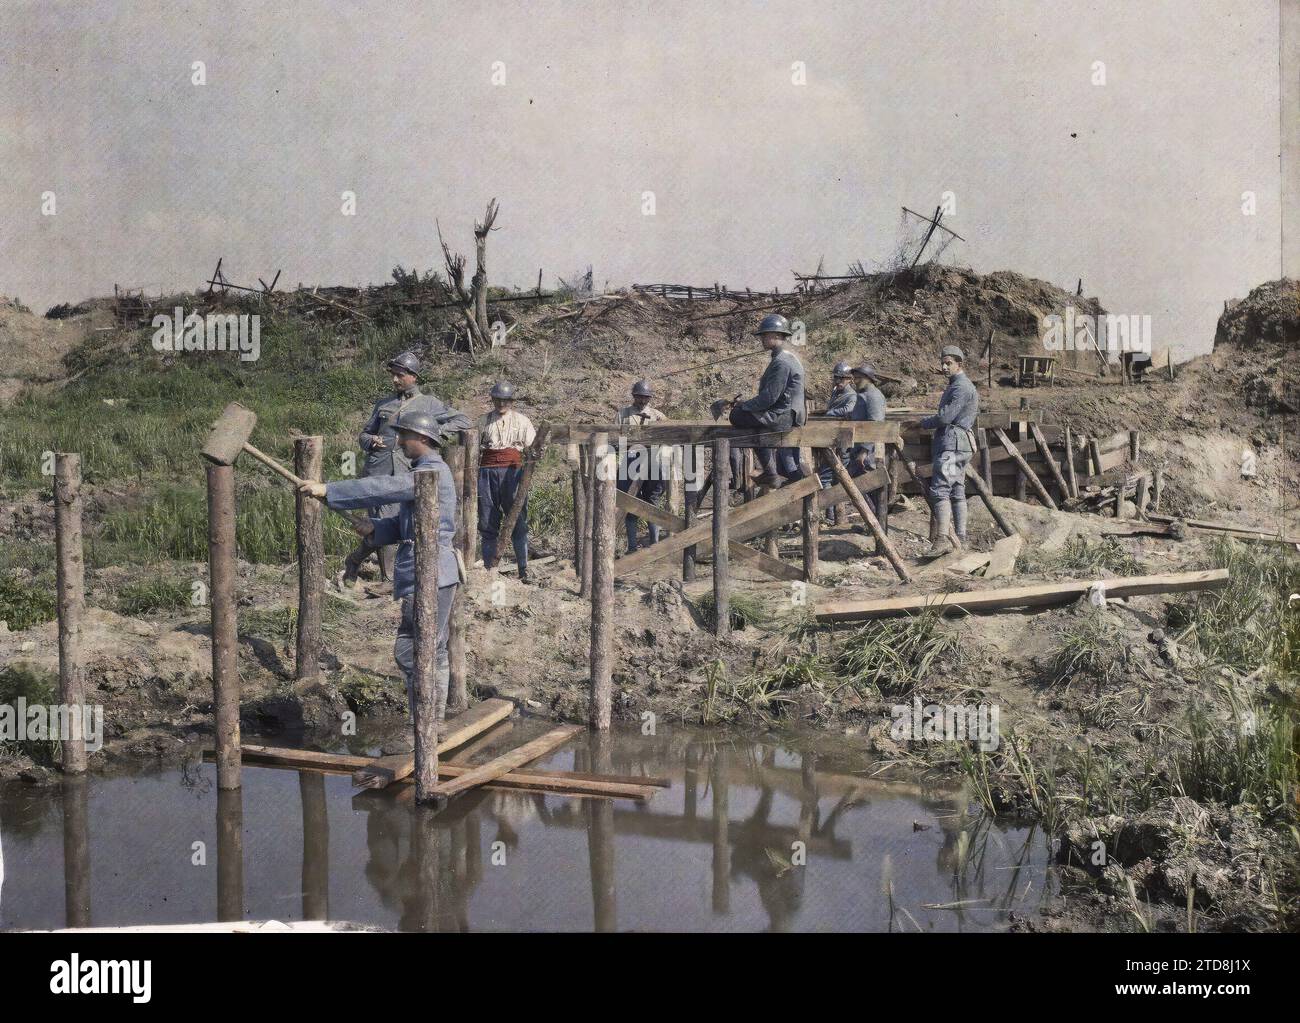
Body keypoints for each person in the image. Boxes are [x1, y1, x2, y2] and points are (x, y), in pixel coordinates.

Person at [299, 409, 460, 740]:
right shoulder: (427, 472)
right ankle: (433, 725)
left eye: (404, 436)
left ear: (423, 440)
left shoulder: (429, 473)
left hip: (428, 574)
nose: (399, 441)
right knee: (433, 647)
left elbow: (383, 488)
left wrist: (330, 490)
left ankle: (426, 726)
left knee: (412, 650)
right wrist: (376, 527)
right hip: (434, 572)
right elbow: (411, 526)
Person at [345, 351, 469, 587]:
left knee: (394, 521)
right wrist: (371, 440)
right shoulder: (384, 404)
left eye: (400, 375)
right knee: (378, 519)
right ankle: (386, 578)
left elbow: (462, 420)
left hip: (407, 470)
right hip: (378, 469)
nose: (395, 380)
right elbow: (363, 434)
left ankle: (356, 560)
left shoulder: (429, 403)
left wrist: (432, 434)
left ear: (413, 376)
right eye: (393, 375)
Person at [721, 313, 806, 487]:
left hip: (784, 415)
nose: (762, 339)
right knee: (747, 419)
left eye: (764, 336)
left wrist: (744, 406)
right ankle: (770, 472)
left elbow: (769, 398)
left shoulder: (782, 362)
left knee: (736, 416)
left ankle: (771, 473)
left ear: (776, 335)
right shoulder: (785, 357)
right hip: (786, 412)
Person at [920, 345, 979, 556]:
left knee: (941, 489)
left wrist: (923, 423)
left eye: (948, 363)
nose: (944, 367)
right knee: (957, 490)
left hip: (953, 443)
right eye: (942, 363)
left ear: (959, 364)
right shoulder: (958, 385)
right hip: (960, 443)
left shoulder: (960, 387)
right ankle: (961, 538)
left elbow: (945, 418)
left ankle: (943, 538)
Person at [476, 380, 537, 581]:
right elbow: (472, 448)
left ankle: (523, 569)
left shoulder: (522, 421)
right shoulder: (482, 420)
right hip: (487, 472)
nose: (501, 404)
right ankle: (489, 571)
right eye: (498, 400)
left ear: (512, 401)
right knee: (487, 520)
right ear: (493, 399)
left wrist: (533, 454)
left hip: (513, 472)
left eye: (505, 400)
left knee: (518, 519)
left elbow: (533, 448)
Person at [615, 379, 667, 552]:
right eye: (639, 397)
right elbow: (614, 439)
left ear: (649, 398)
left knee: (652, 503)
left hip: (652, 461)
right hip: (631, 460)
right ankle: (631, 547)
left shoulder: (657, 415)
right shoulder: (623, 414)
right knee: (630, 505)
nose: (642, 401)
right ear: (634, 396)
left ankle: (655, 546)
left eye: (645, 397)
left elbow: (671, 435)